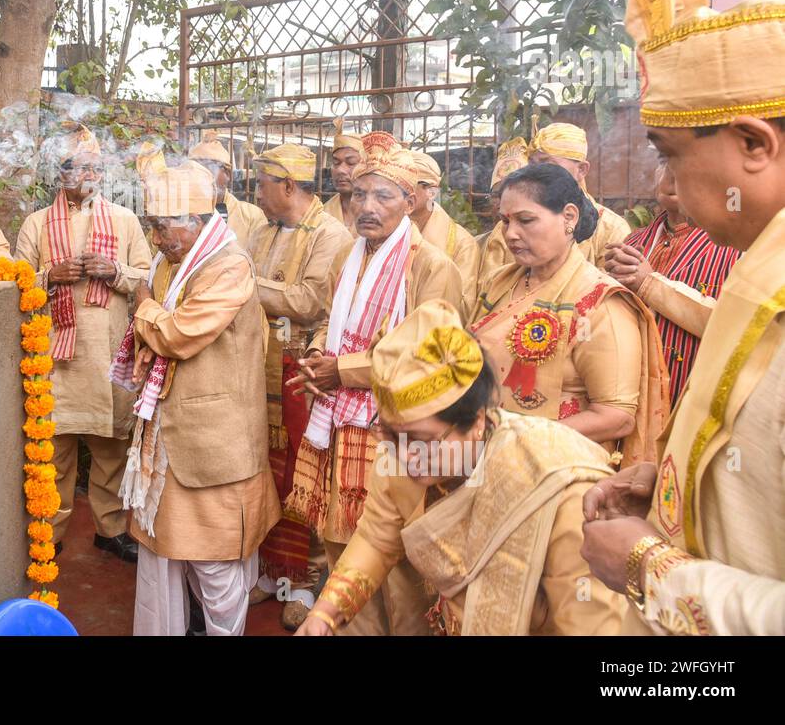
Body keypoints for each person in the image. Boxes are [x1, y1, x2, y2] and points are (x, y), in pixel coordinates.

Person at [580, 0, 785, 635]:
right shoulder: (763, 268)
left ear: (754, 145)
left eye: (668, 152)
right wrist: (681, 493)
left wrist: (650, 569)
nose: (663, 181)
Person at [295, 300, 625, 636]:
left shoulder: (557, 484)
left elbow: (588, 622)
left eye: (423, 440)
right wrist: (324, 614)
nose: (407, 456)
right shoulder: (399, 456)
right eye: (392, 435)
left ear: (477, 420)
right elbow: (377, 538)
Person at [284, 136, 463, 634]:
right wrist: (320, 353)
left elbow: (434, 355)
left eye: (383, 196)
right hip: (339, 425)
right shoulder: (350, 255)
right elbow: (329, 322)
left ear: (411, 202)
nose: (367, 206)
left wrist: (340, 371)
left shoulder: (432, 265)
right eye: (360, 194)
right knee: (343, 551)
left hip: (393, 432)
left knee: (397, 563)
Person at [111, 160, 278, 636]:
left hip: (213, 443)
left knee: (215, 562)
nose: (157, 239)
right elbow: (153, 332)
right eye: (152, 227)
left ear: (197, 222)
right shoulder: (170, 261)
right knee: (160, 558)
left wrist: (141, 301)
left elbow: (175, 334)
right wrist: (147, 309)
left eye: (162, 228)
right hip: (164, 433)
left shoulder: (229, 266)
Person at [469, 163, 668, 468]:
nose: (511, 234)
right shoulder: (499, 283)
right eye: (505, 221)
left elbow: (616, 418)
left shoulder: (599, 302)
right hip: (485, 463)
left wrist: (517, 441)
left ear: (569, 218)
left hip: (558, 473)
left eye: (526, 220)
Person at [15, 123, 153, 561]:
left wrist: (113, 271)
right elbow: (14, 289)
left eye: (95, 167)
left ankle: (109, 529)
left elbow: (146, 279)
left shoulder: (125, 220)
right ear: (61, 173)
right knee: (54, 453)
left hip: (108, 354)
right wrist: (48, 278)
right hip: (55, 358)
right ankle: (48, 535)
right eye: (78, 167)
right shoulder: (36, 224)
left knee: (112, 450)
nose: (88, 175)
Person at [246, 142, 355, 628]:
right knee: (264, 469)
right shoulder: (262, 229)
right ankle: (273, 572)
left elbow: (309, 301)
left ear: (288, 185)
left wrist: (241, 284)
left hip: (301, 371)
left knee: (302, 473)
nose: (257, 194)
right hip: (256, 368)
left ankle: (309, 581)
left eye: (263, 184)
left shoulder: (329, 233)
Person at [604, 165, 739, 402]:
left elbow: (735, 325)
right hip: (632, 391)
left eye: (683, 162)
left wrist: (649, 283)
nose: (672, 174)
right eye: (665, 162)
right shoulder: (634, 241)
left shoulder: (733, 245)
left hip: (694, 394)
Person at [527, 122, 633, 268]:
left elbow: (614, 286)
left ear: (582, 170)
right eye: (532, 164)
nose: (536, 173)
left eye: (547, 164)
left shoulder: (611, 229)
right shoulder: (515, 222)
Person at [469, 137, 529, 317]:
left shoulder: (537, 246)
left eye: (511, 193)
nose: (503, 202)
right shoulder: (474, 244)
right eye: (496, 195)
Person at [408, 148, 479, 286]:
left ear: (432, 192)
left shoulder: (463, 244)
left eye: (409, 186)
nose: (399, 193)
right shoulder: (384, 232)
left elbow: (461, 303)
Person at [188, 131, 267, 245]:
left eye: (207, 170)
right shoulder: (178, 214)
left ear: (227, 174)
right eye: (193, 171)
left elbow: (259, 259)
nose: (199, 178)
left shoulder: (251, 217)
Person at [322, 119, 363, 233]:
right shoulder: (323, 213)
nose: (340, 170)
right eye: (336, 163)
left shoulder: (378, 214)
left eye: (350, 163)